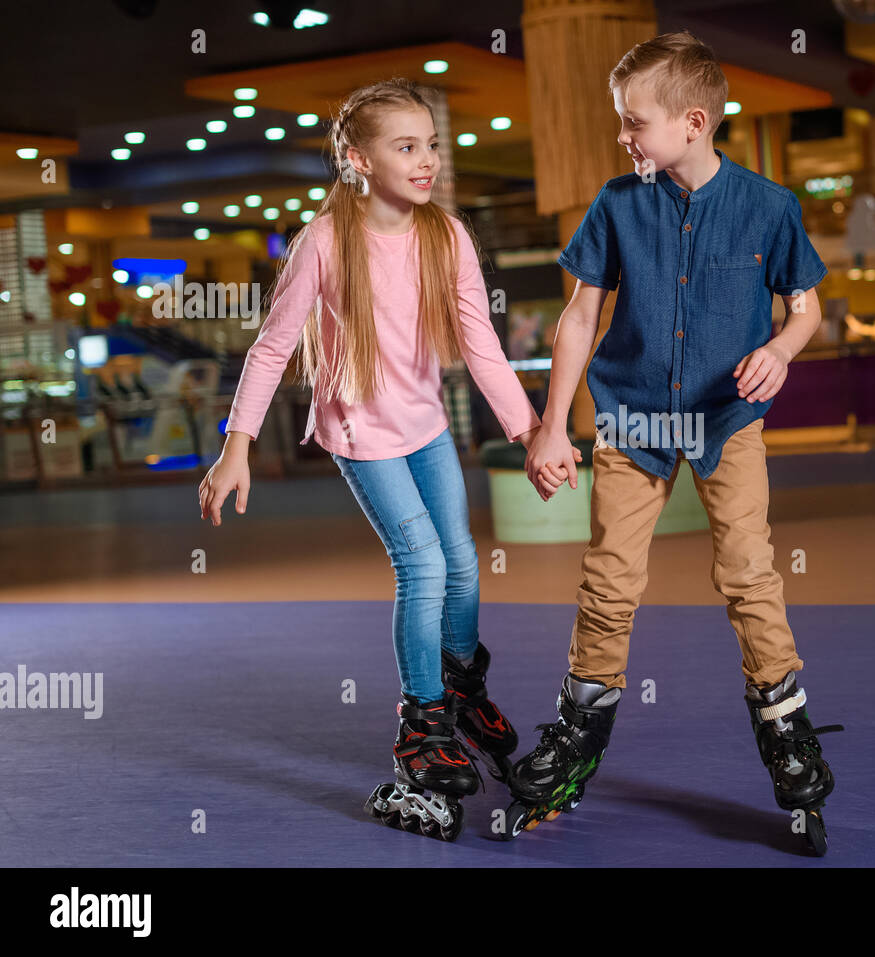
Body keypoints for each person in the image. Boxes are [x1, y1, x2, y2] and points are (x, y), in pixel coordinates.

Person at [197, 78, 578, 841]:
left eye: (431, 143)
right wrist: (234, 447)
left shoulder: (448, 236)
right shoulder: (324, 242)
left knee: (465, 563)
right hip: (359, 431)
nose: (426, 159)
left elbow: (481, 345)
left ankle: (462, 690)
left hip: (426, 425)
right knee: (425, 565)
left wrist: (536, 431)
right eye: (406, 146)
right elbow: (273, 347)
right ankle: (422, 721)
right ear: (356, 158)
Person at [507, 31, 844, 854]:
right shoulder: (618, 203)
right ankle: (578, 735)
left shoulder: (770, 206)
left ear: (693, 122)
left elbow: (807, 307)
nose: (623, 138)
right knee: (610, 579)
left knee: (747, 571)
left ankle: (787, 733)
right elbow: (582, 314)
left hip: (728, 417)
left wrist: (781, 348)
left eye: (634, 123)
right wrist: (552, 424)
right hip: (632, 418)